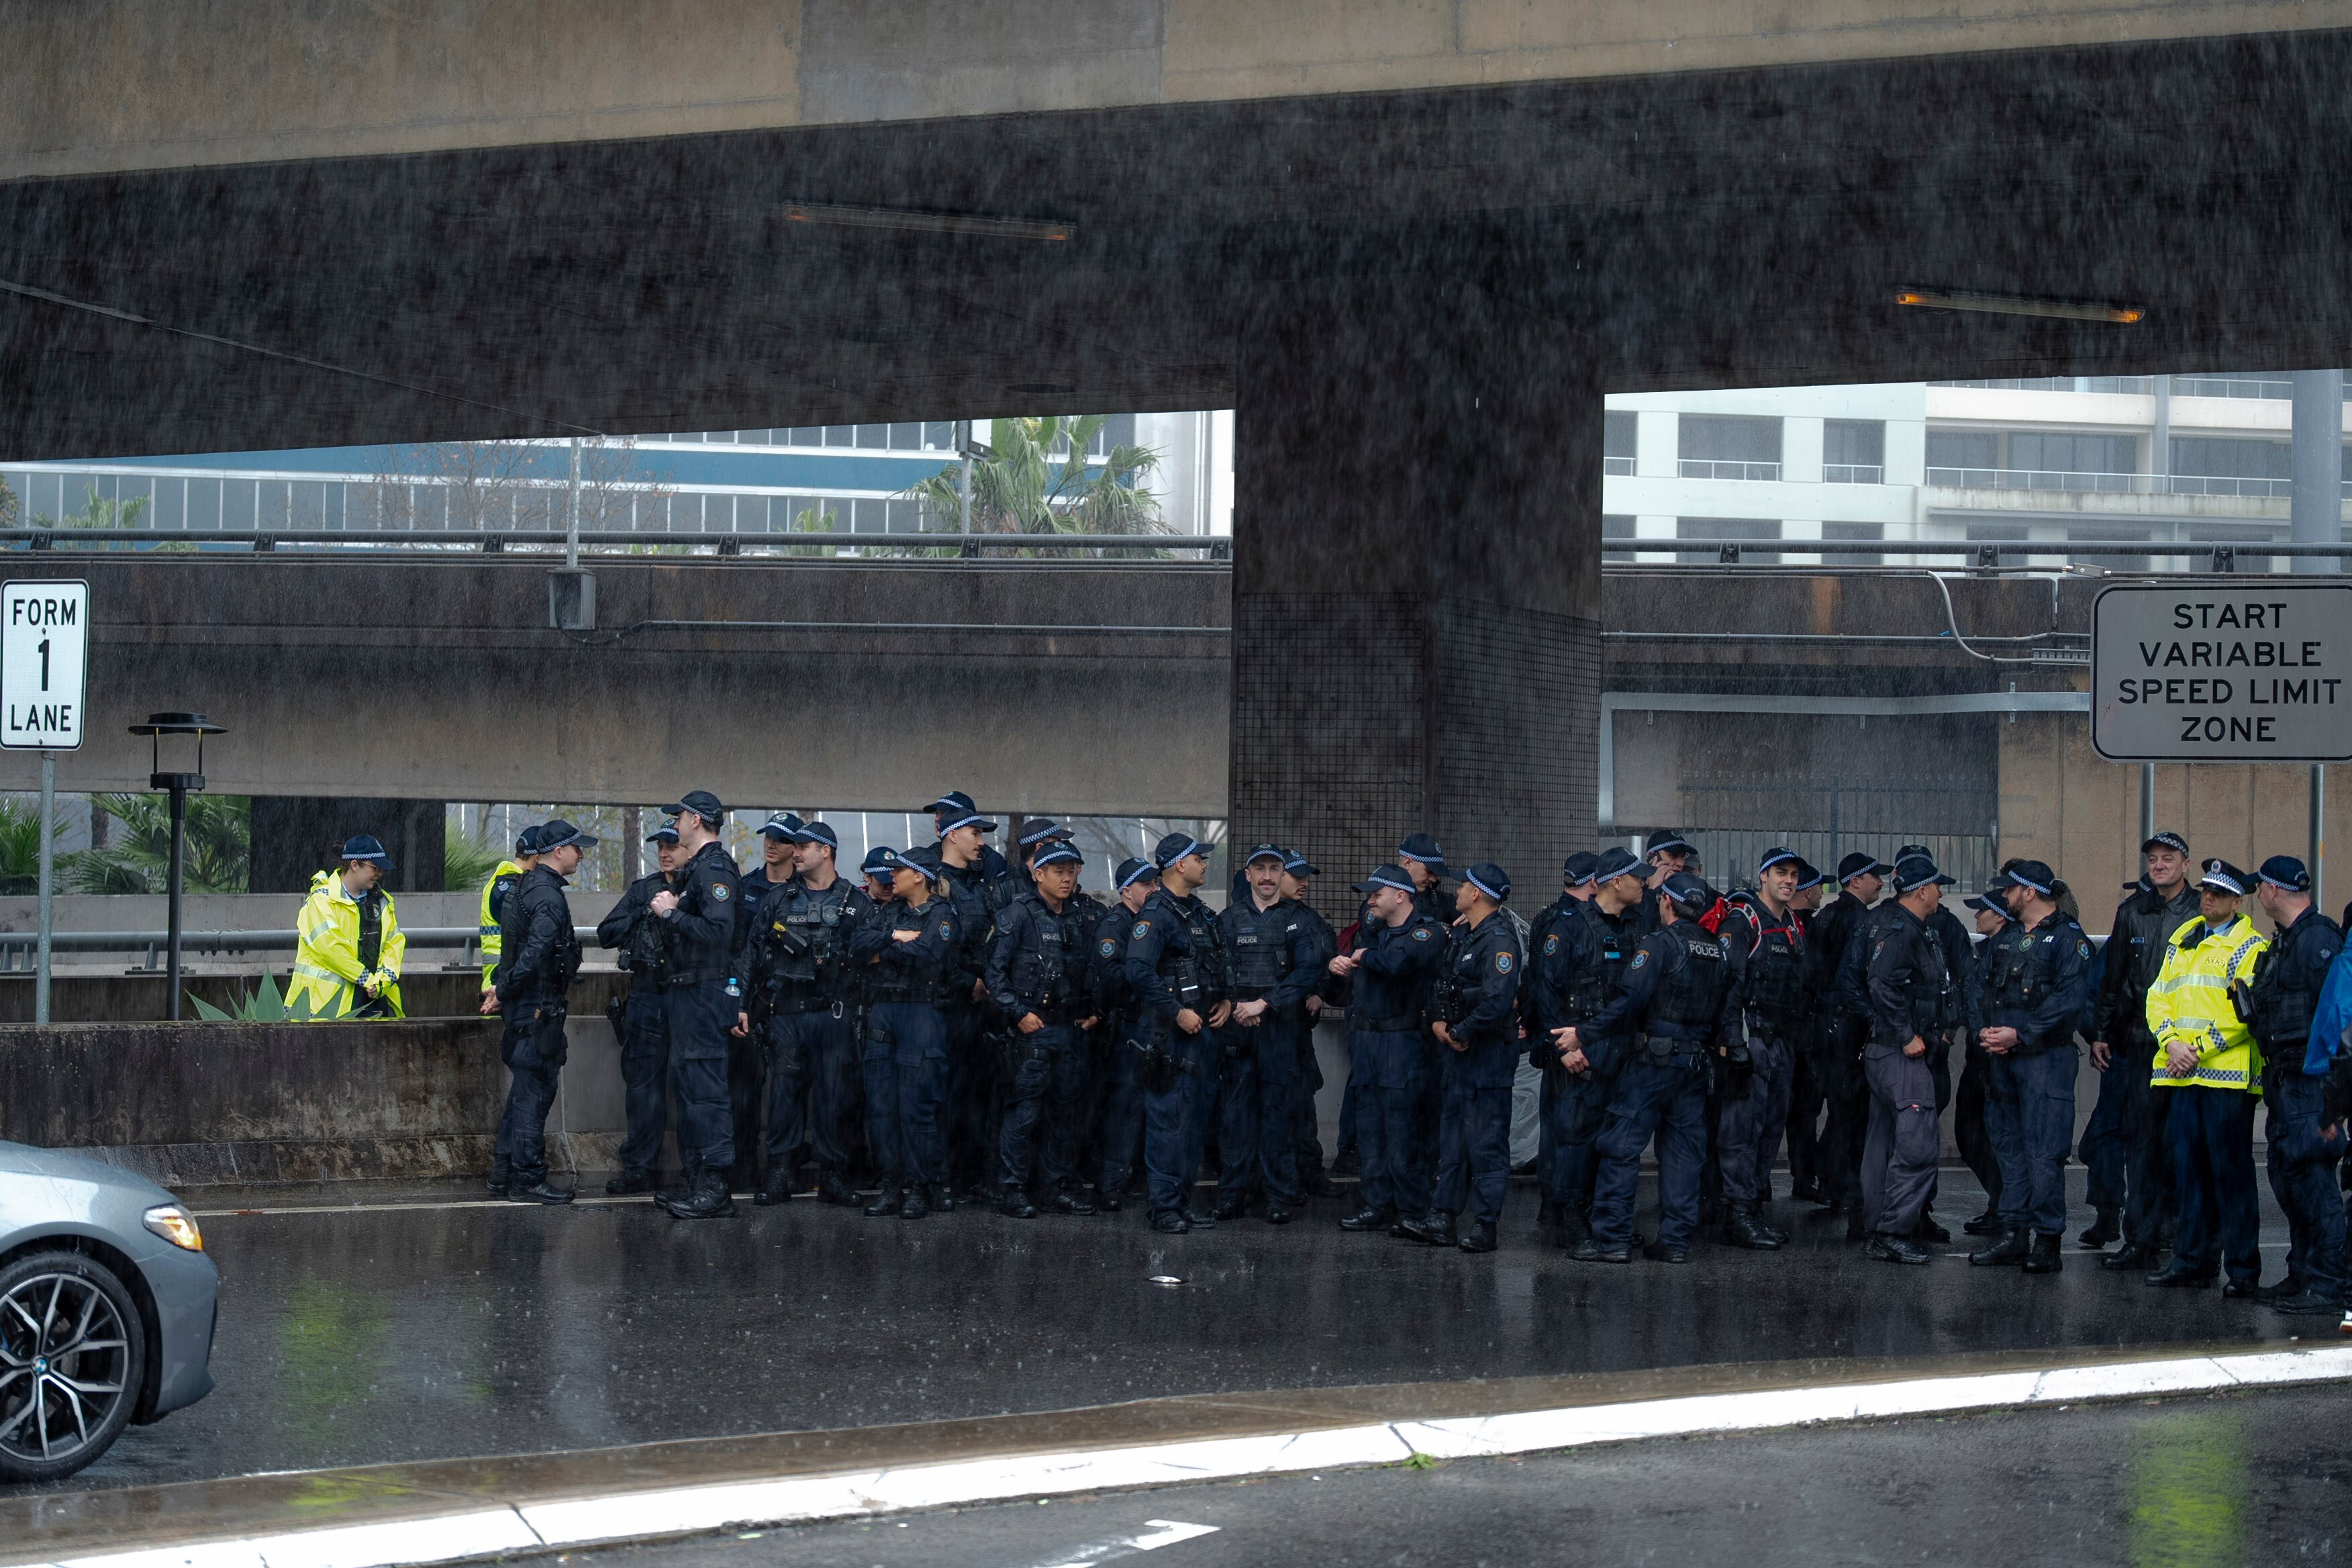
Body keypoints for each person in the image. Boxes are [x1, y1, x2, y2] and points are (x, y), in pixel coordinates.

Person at [1565, 871, 1742, 1265]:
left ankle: (1611, 1239)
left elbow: (1630, 1001)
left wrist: (1584, 1034)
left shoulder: (1659, 944)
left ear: (1666, 902)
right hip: (1695, 1064)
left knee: (1621, 1146)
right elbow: (1726, 1010)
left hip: (1651, 1063)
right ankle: (1675, 1242)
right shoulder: (1717, 950)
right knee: (1683, 1153)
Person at [2143, 859, 2269, 1295]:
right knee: (2188, 1174)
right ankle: (2191, 1263)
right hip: (2183, 1077)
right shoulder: (2183, 938)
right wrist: (2170, 1043)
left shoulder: (2250, 945)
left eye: (2219, 893)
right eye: (2205, 890)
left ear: (2237, 901)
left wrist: (2194, 1049)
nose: (2208, 897)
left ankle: (2242, 1272)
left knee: (2231, 1177)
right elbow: (2158, 997)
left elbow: (2242, 1014)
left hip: (2226, 1081)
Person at [1962, 859, 2093, 1273]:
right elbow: (1977, 985)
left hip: (2045, 1061)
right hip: (2002, 1061)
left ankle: (2047, 1243)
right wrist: (1983, 1031)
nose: (2004, 896)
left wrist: (2021, 1034)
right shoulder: (2008, 937)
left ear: (2029, 892)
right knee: (2008, 1150)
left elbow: (2070, 1000)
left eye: (2009, 889)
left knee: (2044, 1154)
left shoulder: (2069, 939)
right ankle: (2013, 1234)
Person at [740, 819, 875, 1209]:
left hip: (833, 1015)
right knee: (784, 1096)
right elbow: (751, 953)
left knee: (834, 1098)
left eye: (802, 847)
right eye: (794, 847)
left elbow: (875, 960)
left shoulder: (856, 903)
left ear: (825, 851)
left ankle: (834, 1175)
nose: (794, 853)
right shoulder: (778, 900)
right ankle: (781, 1173)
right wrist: (741, 1004)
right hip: (786, 1013)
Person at [2083, 832, 2200, 1266]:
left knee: (2182, 1146)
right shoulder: (2131, 913)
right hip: (2138, 1045)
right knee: (2141, 1145)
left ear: (2186, 864)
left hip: (2187, 1050)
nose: (2159, 865)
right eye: (2153, 860)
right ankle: (2139, 1239)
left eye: (2168, 858)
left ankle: (2181, 1237)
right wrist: (2100, 1032)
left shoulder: (2201, 912)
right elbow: (2112, 980)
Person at [2243, 856, 2346, 1314]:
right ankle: (2302, 1273)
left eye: (2260, 888)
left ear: (2273, 890)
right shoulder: (2287, 941)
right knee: (2288, 1180)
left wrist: (2335, 1098)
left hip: (2311, 1083)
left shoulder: (2318, 940)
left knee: (2315, 1185)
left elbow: (2337, 1019)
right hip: (2284, 1081)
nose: (2258, 895)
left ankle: (2327, 1284)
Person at [1405, 863, 1523, 1253]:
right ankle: (1443, 1217)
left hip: (1487, 1058)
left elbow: (1498, 1001)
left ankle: (1486, 1225)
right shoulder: (1466, 934)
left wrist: (1460, 1032)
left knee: (1486, 1144)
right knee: (1452, 1143)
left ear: (1476, 894)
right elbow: (1447, 987)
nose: (1455, 891)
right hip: (1459, 1059)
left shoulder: (1499, 940)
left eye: (1463, 887)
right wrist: (1440, 1023)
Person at [1529, 846, 1640, 1248]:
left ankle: (1598, 1215)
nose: (1644, 884)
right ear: (1616, 881)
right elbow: (1546, 991)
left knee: (1606, 1139)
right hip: (1577, 1051)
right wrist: (1562, 1048)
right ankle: (1569, 1218)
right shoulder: (1569, 926)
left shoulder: (1632, 927)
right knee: (1572, 1137)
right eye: (1638, 877)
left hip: (1616, 1050)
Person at [1330, 863, 1449, 1236]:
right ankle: (1376, 1204)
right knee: (1370, 1127)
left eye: (1376, 894)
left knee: (1404, 1129)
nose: (1370, 901)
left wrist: (1361, 957)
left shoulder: (1426, 931)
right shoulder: (1373, 933)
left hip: (1403, 1043)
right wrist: (1339, 965)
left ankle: (1411, 1208)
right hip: (1367, 1041)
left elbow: (1398, 962)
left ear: (1400, 896)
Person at [1126, 832, 1234, 1234]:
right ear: (1178, 865)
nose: (1205, 865)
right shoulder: (1157, 914)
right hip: (1170, 1036)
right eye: (1198, 859)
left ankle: (1182, 1202)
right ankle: (1164, 1207)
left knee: (1194, 1124)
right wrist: (1176, 1013)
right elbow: (1138, 970)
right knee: (1169, 1124)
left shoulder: (1198, 913)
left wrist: (1226, 1000)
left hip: (1203, 1033)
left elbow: (1215, 963)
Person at [987, 841, 1101, 1218]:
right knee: (1023, 1114)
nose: (1067, 878)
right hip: (1032, 1030)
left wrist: (1094, 1012)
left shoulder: (1079, 917)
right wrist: (1018, 1013)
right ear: (1038, 874)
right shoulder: (1017, 914)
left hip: (1070, 1030)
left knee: (1064, 1115)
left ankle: (1055, 1189)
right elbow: (995, 975)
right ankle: (1013, 1190)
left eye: (1071, 871)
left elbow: (1092, 971)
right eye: (1058, 872)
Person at [485, 818, 593, 1205]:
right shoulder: (547, 896)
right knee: (535, 1096)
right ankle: (528, 1179)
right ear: (558, 851)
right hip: (537, 1010)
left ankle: (502, 1174)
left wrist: (504, 991)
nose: (581, 856)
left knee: (522, 1095)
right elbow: (535, 954)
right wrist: (506, 990)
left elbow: (512, 952)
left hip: (523, 1009)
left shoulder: (524, 887)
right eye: (577, 849)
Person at [851, 846, 963, 1219]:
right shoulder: (890, 913)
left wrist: (884, 951)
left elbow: (929, 951)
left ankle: (920, 1186)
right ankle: (891, 1186)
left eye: (898, 871)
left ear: (919, 876)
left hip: (921, 1013)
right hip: (884, 1012)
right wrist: (895, 937)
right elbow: (856, 945)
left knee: (918, 1107)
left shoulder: (942, 914)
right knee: (882, 1107)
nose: (891, 877)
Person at [1856, 854, 1956, 1265]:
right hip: (1900, 1054)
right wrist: (1907, 1035)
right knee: (1916, 1146)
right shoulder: (1901, 929)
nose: (1940, 894)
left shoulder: (1907, 926)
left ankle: (1878, 1228)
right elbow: (1881, 984)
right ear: (1921, 890)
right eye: (1937, 887)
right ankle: (1892, 1232)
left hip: (1888, 1052)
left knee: (1882, 1145)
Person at [650, 790, 744, 1220]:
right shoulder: (697, 870)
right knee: (690, 1090)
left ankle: (716, 1186)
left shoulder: (715, 868)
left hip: (704, 992)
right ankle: (698, 1179)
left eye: (679, 818)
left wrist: (672, 915)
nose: (675, 825)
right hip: (687, 992)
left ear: (696, 820)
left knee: (706, 1091)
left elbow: (719, 932)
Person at [1216, 845, 1324, 1224]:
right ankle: (1232, 1196)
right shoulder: (1228, 920)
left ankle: (1278, 1197)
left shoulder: (1301, 921)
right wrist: (1236, 1006)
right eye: (1259, 869)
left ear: (1282, 874)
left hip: (1280, 1032)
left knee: (1278, 1118)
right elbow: (1216, 969)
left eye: (1274, 869)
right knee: (1236, 1118)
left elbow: (1307, 972)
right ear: (1247, 875)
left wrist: (1264, 1004)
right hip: (1238, 1031)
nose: (1266, 876)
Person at [1718, 848, 1806, 1251]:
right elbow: (1728, 988)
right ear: (1763, 877)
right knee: (1742, 1132)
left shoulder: (1793, 925)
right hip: (1751, 1038)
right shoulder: (1744, 920)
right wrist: (1734, 1045)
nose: (1788, 880)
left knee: (1771, 1130)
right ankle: (1737, 1215)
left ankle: (1752, 1210)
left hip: (1781, 1042)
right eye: (1780, 873)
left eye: (1794, 875)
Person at [596, 819, 680, 1195]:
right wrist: (646, 910)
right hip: (647, 993)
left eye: (672, 845)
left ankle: (699, 1170)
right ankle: (640, 1168)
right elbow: (607, 933)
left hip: (687, 995)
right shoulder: (644, 889)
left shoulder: (703, 886)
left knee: (694, 1086)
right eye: (660, 846)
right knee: (643, 1087)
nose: (664, 853)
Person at [936, 797, 1013, 1204]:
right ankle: (948, 1178)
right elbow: (933, 948)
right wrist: (969, 980)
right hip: (950, 1006)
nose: (981, 842)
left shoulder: (981, 884)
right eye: (975, 833)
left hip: (985, 1007)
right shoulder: (934, 882)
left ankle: (975, 1177)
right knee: (951, 1094)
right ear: (952, 835)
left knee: (982, 1094)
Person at [1815, 852, 1893, 1234]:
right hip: (1848, 1026)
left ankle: (1831, 1181)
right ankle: (1848, 1189)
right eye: (1874, 876)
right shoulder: (1859, 919)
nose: (1881, 883)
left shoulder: (1827, 915)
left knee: (1840, 1109)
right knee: (1852, 1112)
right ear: (1855, 880)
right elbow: (1859, 975)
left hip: (1826, 1024)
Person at [727, 813, 803, 1192]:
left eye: (781, 839)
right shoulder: (746, 887)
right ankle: (744, 1168)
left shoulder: (803, 891)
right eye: (768, 837)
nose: (771, 844)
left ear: (795, 848)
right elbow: (736, 946)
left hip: (789, 998)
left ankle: (785, 1169)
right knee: (744, 1089)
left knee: (790, 1088)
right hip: (751, 998)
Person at [1091, 856, 1161, 1211]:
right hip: (1126, 1028)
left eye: (1156, 883)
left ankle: (1138, 1179)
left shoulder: (1153, 920)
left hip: (1152, 1024)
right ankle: (1111, 1184)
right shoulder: (1114, 926)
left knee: (1149, 1106)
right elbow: (1113, 979)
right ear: (1126, 891)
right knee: (1123, 1109)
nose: (1154, 890)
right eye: (1146, 885)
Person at [290, 835, 408, 1020]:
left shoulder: (382, 901)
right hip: (328, 1007)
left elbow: (394, 945)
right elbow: (329, 948)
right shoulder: (321, 900)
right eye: (375, 868)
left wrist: (381, 983)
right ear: (354, 865)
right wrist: (367, 979)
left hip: (374, 1001)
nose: (379, 874)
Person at [1281, 850, 1344, 1198]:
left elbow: (1329, 960)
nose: (1304, 883)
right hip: (1263, 1026)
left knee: (1303, 1099)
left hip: (1298, 1027)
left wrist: (1320, 993)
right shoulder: (1252, 916)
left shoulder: (1311, 919)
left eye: (1306, 877)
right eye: (1297, 876)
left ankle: (1309, 1170)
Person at [1952, 891, 2012, 1232]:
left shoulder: (2007, 951)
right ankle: (2001, 1204)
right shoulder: (1987, 950)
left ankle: (2005, 1208)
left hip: (1994, 1055)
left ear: (2000, 916)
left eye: (1983, 911)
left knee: (1985, 1135)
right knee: (1970, 1133)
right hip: (1979, 1055)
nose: (1977, 917)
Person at [1783, 859, 1830, 1202]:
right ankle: (1801, 1177)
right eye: (1819, 887)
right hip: (1794, 1031)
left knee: (1802, 1109)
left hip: (1801, 1030)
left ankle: (1802, 1177)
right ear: (1807, 890)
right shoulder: (1796, 927)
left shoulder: (1808, 925)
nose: (1822, 893)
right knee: (1798, 1108)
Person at [476, 824, 538, 1003]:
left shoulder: (503, 883)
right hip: (501, 986)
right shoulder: (509, 889)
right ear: (537, 857)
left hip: (503, 983)